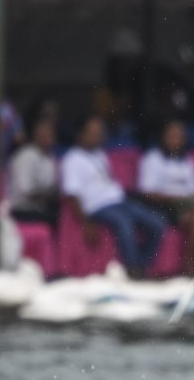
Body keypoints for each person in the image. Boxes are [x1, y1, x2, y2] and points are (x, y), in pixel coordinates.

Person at [62, 114, 167, 279]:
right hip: (97, 206)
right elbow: (72, 194)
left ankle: (142, 266)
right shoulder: (72, 159)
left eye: (100, 131)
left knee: (157, 223)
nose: (100, 135)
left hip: (119, 202)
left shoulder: (100, 155)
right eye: (95, 132)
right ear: (81, 134)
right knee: (124, 222)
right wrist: (86, 223)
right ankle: (132, 269)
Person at [137, 119, 194, 276]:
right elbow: (147, 193)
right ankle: (190, 262)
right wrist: (177, 199)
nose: (176, 140)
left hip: (188, 205)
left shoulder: (185, 161)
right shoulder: (152, 159)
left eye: (179, 136)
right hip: (163, 204)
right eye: (172, 135)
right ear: (163, 137)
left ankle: (190, 262)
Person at [7, 114, 60, 225]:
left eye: (51, 133)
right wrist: (49, 195)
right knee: (57, 218)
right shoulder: (26, 155)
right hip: (21, 210)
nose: (49, 137)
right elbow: (26, 190)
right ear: (36, 135)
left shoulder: (49, 157)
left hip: (40, 209)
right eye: (45, 134)